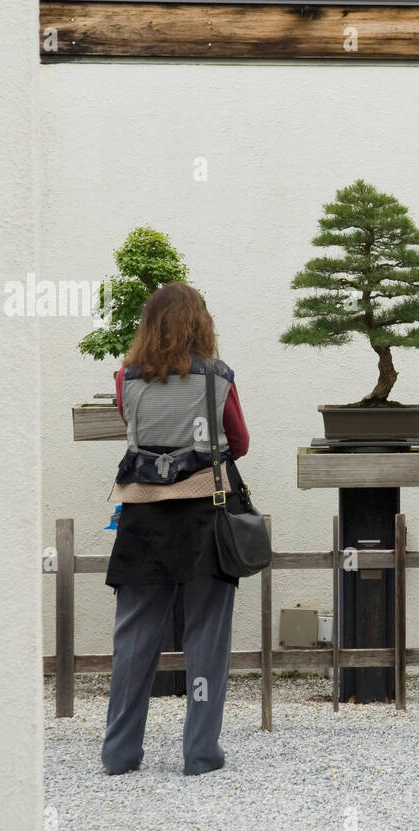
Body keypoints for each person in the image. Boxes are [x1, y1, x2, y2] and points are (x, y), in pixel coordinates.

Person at [100, 282, 250, 776]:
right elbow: (240, 443)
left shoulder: (127, 378)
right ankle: (200, 754)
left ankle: (120, 754)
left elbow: (134, 429)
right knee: (206, 634)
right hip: (205, 512)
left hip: (143, 516)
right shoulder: (218, 377)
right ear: (200, 323)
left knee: (134, 636)